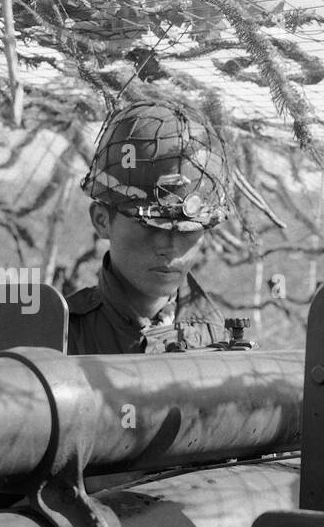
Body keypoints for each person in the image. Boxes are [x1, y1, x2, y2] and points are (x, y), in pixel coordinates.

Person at [70, 99, 229, 355]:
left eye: (187, 230)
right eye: (151, 226)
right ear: (102, 220)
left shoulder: (219, 337)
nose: (170, 247)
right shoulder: (62, 338)